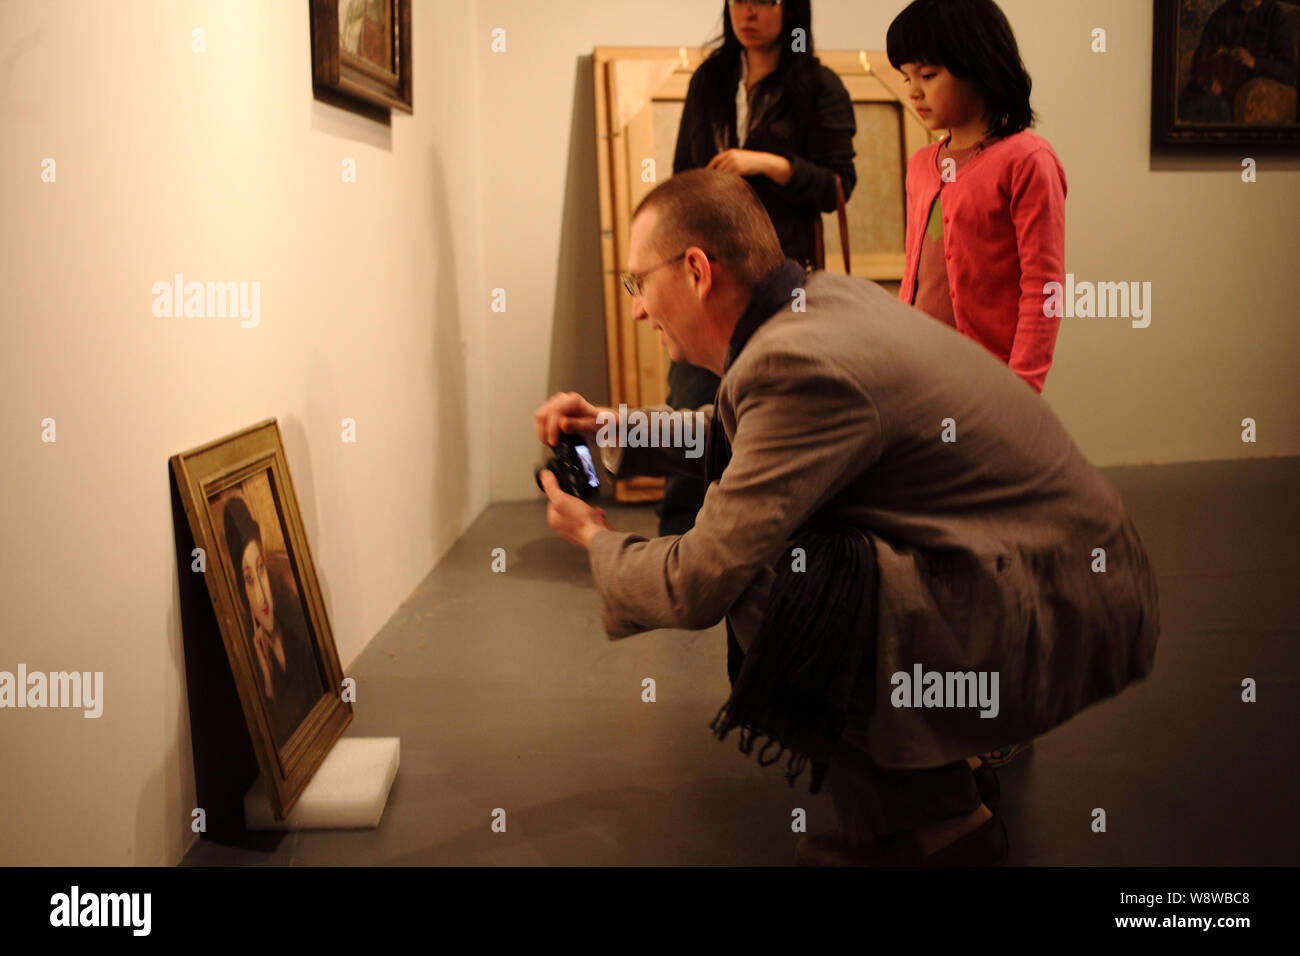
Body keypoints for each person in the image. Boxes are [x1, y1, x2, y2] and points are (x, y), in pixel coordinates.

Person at [534, 169, 1159, 865]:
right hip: (1047, 569)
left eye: (637, 284)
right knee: (790, 550)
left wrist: (594, 538)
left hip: (1054, 602)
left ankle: (939, 824)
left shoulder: (793, 362)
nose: (638, 310)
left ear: (697, 271)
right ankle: (935, 775)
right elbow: (743, 438)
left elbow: (700, 576)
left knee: (776, 579)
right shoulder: (813, 304)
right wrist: (612, 430)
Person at [889, 0, 1069, 766]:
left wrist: (1019, 389)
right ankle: (948, 705)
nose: (914, 90)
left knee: (993, 562)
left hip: (989, 394)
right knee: (931, 558)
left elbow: (1043, 286)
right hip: (920, 390)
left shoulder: (1026, 159)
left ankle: (1004, 711)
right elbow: (914, 275)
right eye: (905, 76)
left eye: (927, 73)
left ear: (980, 65)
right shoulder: (924, 163)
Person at [659, 0, 857, 538]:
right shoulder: (711, 78)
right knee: (692, 397)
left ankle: (767, 533)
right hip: (705, 273)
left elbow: (839, 185)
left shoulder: (817, 84)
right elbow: (683, 173)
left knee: (774, 404)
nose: (748, 11)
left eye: (765, 0)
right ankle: (683, 536)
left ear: (790, 8)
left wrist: (767, 163)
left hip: (778, 278)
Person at [222, 495, 325, 748]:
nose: (261, 595)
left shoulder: (296, 618)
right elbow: (277, 746)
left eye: (261, 570)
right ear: (242, 590)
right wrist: (268, 684)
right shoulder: (248, 658)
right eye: (248, 579)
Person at [1180, 0, 1298, 123]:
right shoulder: (1223, 14)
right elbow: (1200, 56)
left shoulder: (1274, 16)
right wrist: (1211, 78)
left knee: (1219, 107)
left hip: (1241, 95)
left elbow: (1289, 71)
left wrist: (1254, 63)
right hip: (1209, 88)